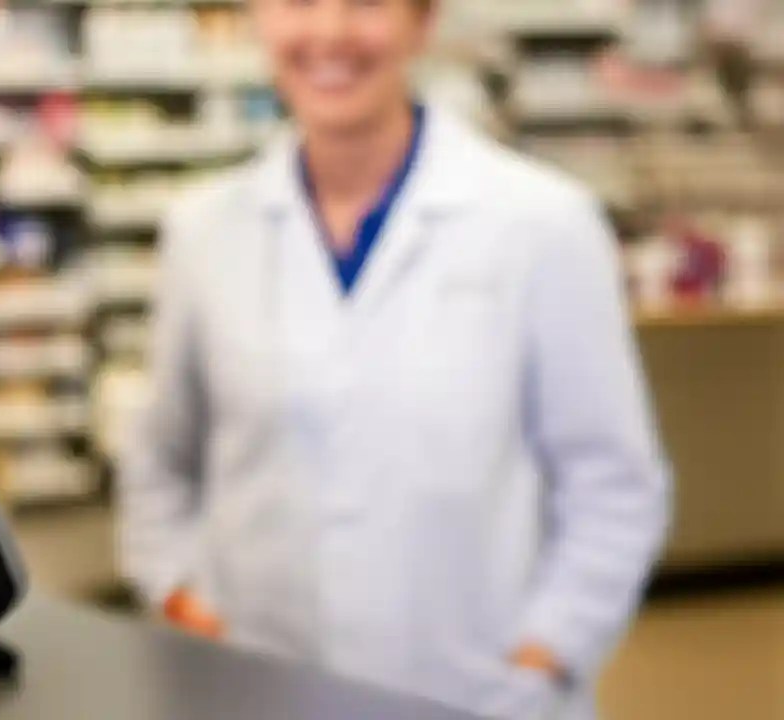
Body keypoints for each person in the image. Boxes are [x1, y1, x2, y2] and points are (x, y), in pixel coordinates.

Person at [117, 0, 671, 718]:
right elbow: (157, 458)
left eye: (367, 3)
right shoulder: (203, 229)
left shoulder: (543, 224)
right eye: (297, 2)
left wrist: (543, 656)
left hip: (480, 694)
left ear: (423, 21)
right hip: (258, 688)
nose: (329, 33)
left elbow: (614, 486)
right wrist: (185, 599)